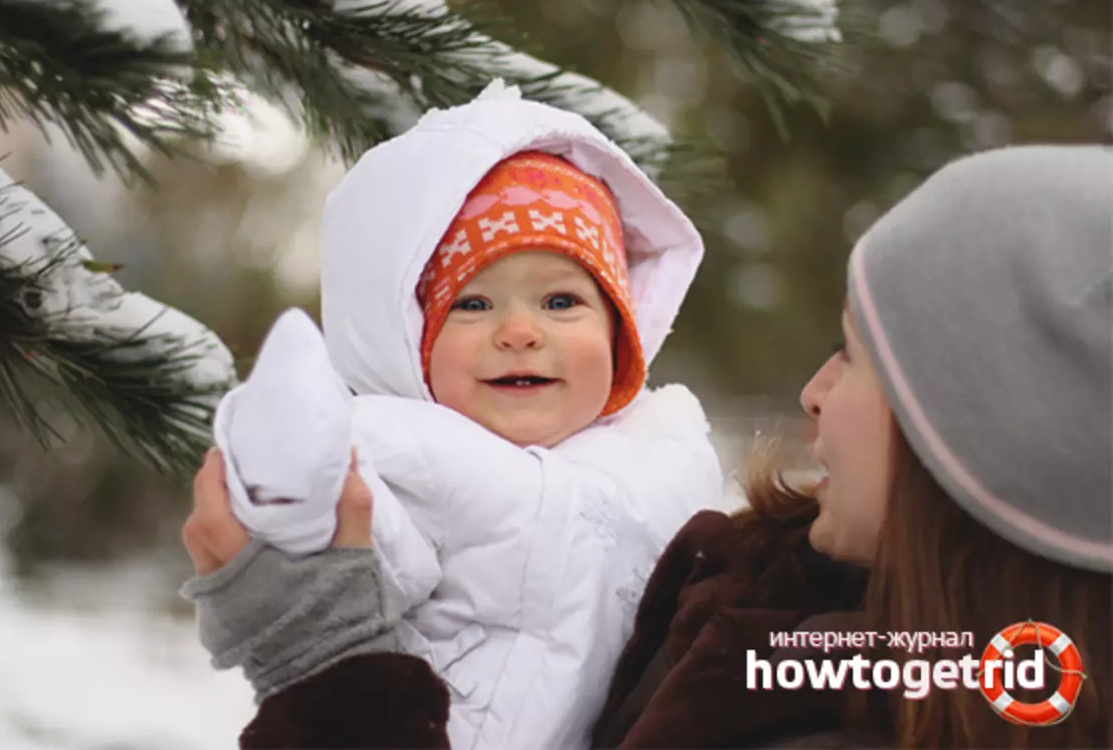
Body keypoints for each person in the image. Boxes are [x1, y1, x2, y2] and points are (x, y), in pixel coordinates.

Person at [185, 143, 1112, 748]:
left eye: (856, 356)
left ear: (982, 439)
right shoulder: (791, 599)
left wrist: (322, 660)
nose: (814, 393)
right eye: (474, 303)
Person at [187, 81, 723, 749]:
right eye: (472, 304)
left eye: (561, 302)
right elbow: (360, 549)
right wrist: (291, 484)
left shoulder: (665, 445)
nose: (521, 331)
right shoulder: (415, 447)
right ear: (414, 340)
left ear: (622, 333)